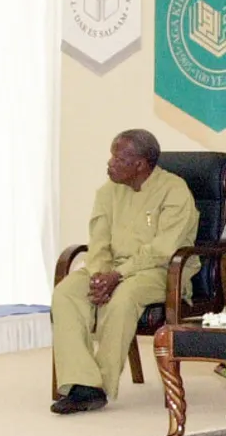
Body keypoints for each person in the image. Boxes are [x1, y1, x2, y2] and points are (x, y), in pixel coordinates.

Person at [50, 130, 199, 414]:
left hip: (161, 272)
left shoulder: (174, 190)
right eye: (111, 155)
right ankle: (82, 383)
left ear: (141, 164)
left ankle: (99, 386)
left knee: (123, 297)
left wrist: (117, 277)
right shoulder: (108, 190)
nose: (110, 163)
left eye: (119, 158)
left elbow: (164, 249)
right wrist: (99, 274)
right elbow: (99, 240)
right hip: (111, 268)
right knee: (66, 293)